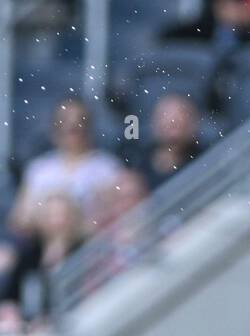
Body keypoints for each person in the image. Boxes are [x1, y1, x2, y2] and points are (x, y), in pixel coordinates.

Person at [7, 98, 125, 237]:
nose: (72, 126)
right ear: (55, 127)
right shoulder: (39, 169)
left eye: (79, 121)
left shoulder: (108, 168)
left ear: (89, 126)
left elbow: (119, 218)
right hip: (42, 246)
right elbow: (19, 220)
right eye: (65, 121)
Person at [130, 95, 205, 191]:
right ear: (154, 124)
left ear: (193, 125)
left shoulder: (204, 161)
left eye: (178, 122)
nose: (171, 124)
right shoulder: (138, 160)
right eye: (165, 119)